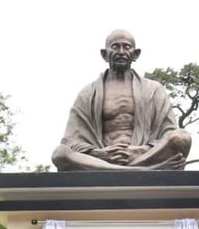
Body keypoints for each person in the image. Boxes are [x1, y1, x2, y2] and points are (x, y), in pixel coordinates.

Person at [51, 29, 191, 171]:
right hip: (100, 159)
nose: (121, 51)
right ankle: (140, 170)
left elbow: (168, 133)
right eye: (115, 46)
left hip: (145, 156)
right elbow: (71, 141)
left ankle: (121, 169)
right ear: (104, 54)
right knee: (60, 153)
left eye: (127, 47)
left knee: (182, 137)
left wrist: (138, 151)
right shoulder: (88, 93)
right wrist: (99, 153)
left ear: (135, 54)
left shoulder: (154, 90)